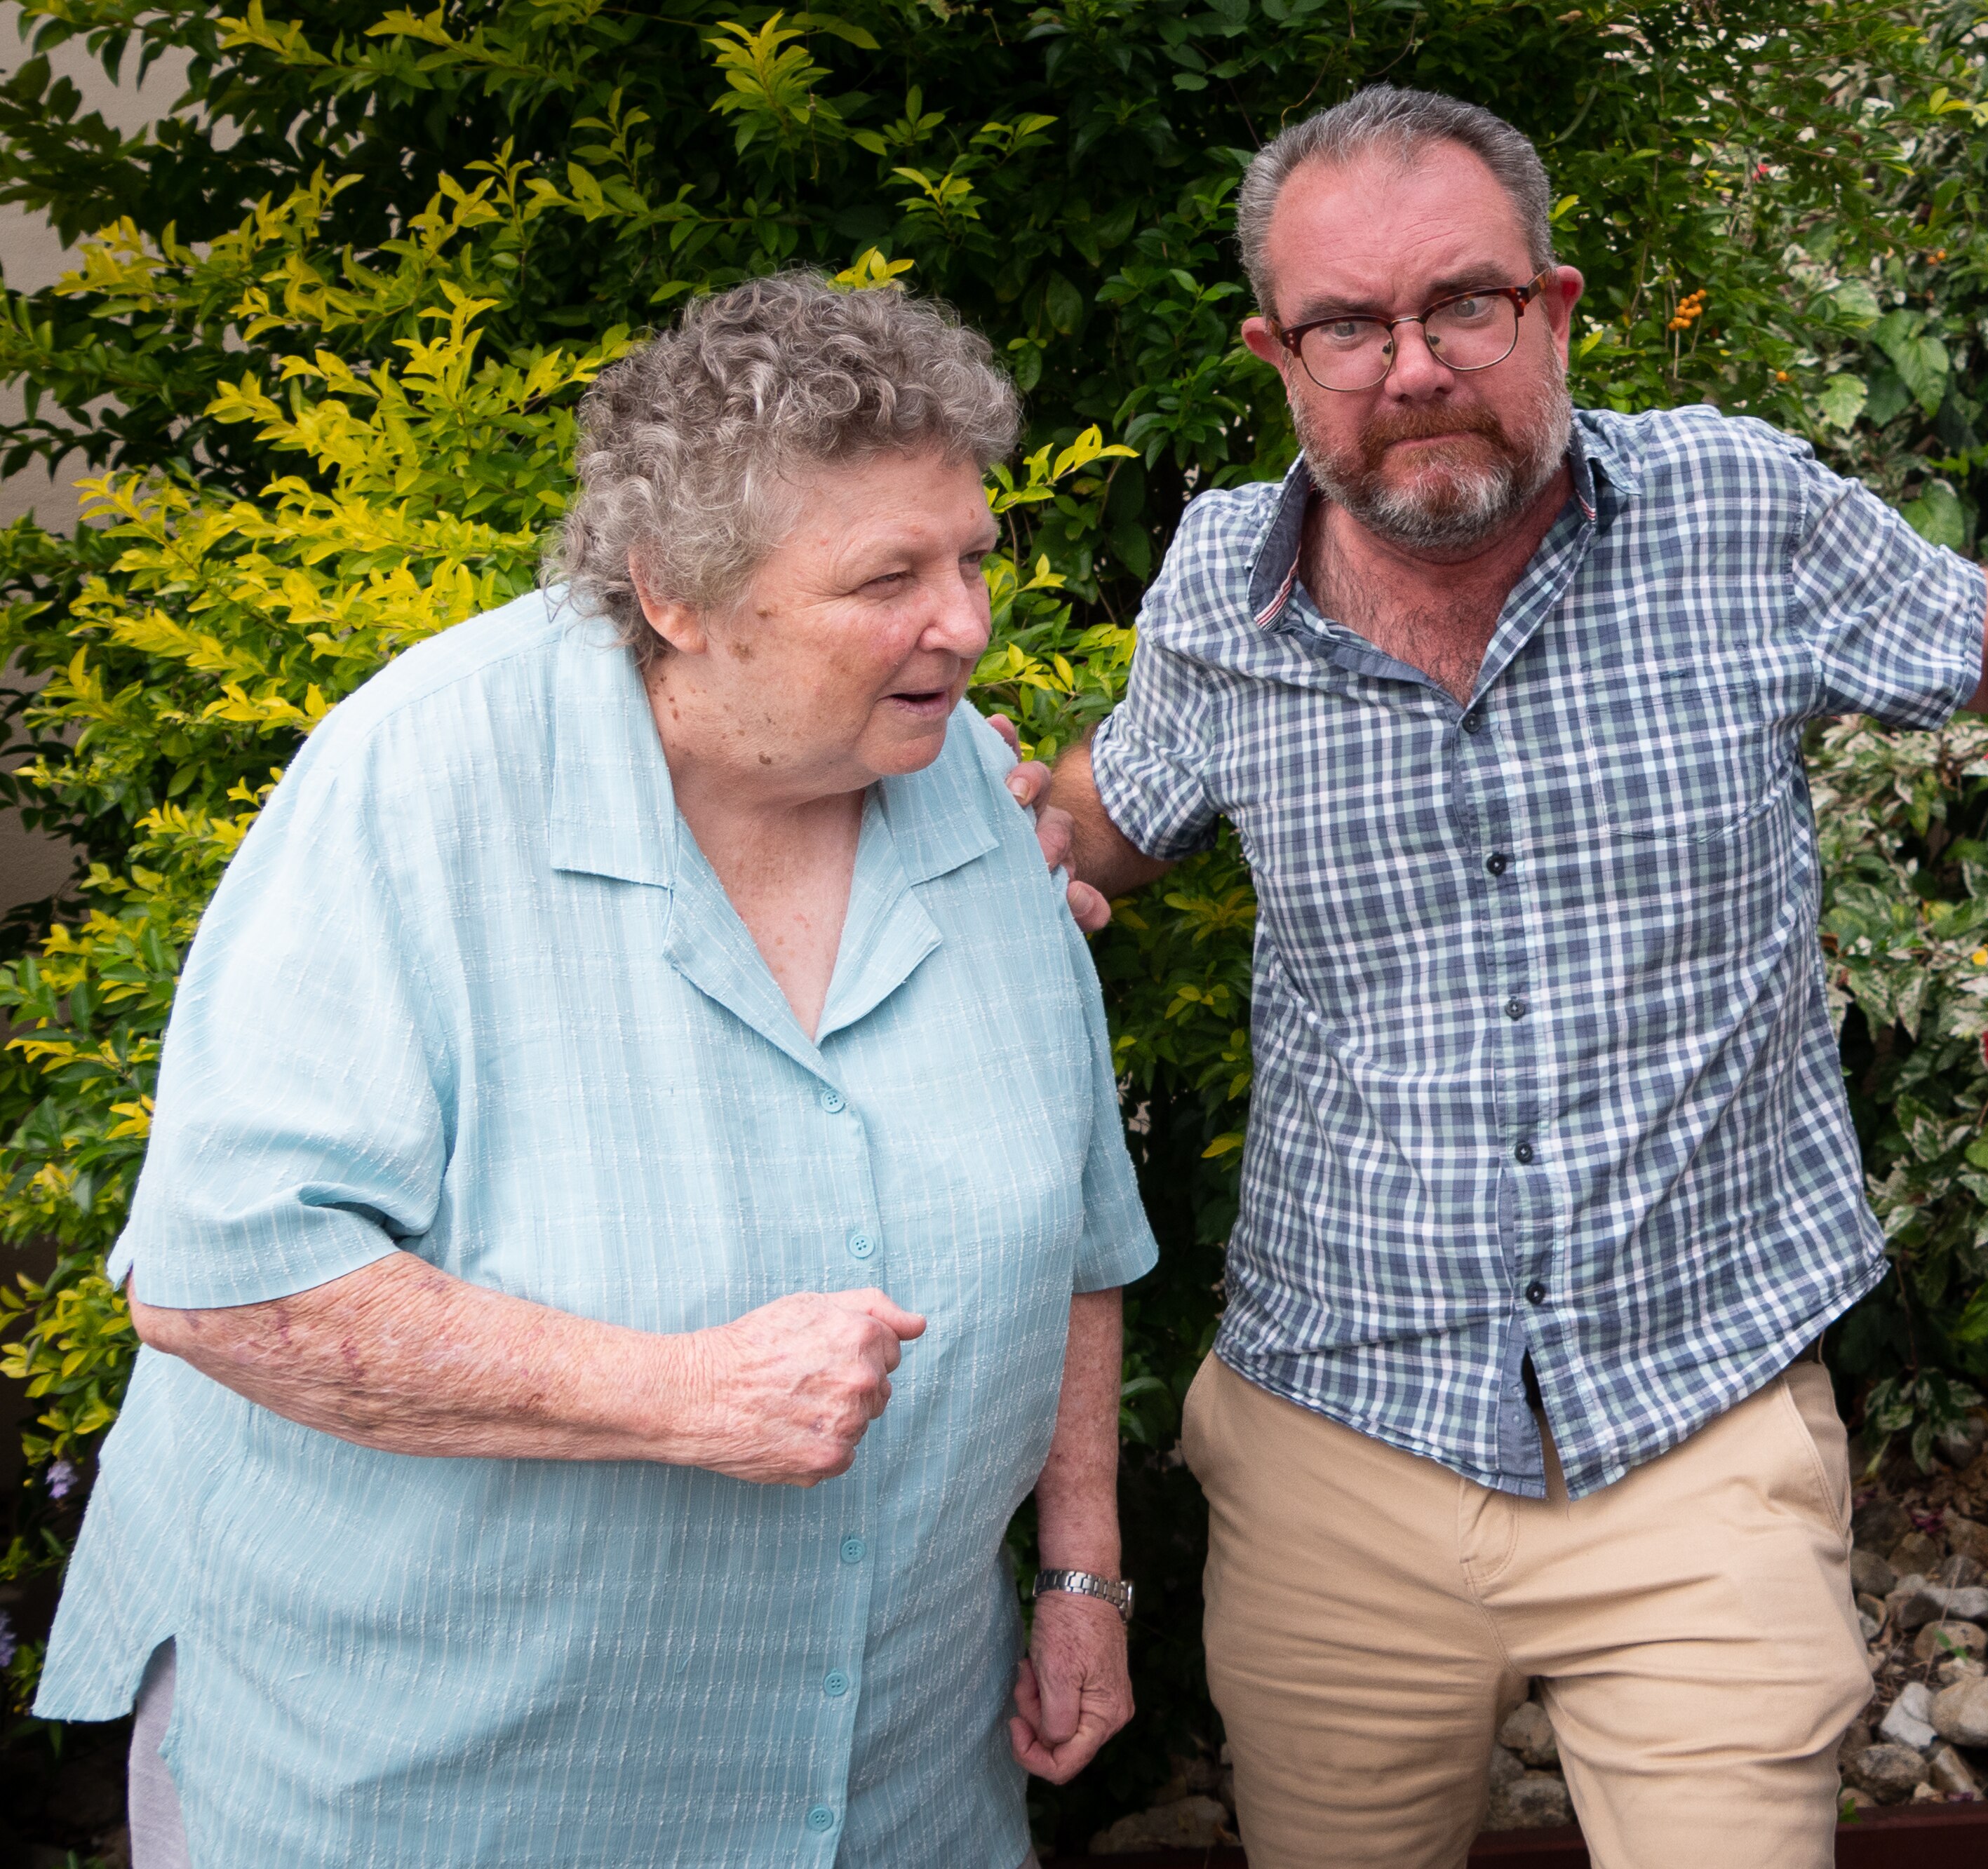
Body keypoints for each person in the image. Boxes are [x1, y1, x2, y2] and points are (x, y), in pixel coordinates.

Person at [1019, 83, 1988, 1869]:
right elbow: (1113, 814)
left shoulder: (1731, 509)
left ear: (1554, 306)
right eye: (1347, 322)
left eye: (1463, 304)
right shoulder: (1218, 590)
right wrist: (981, 863)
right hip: (1334, 1437)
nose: (1410, 364)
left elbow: (1968, 632)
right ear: (1279, 353)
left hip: (1697, 1433)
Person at [34, 274, 1158, 1867]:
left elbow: (1077, 1227)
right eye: (886, 576)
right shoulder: (419, 782)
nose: (964, 623)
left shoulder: (965, 782)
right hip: (440, 1788)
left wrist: (1079, 1570)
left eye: (972, 556)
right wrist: (679, 1391)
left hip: (888, 1778)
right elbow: (227, 1283)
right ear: (676, 594)